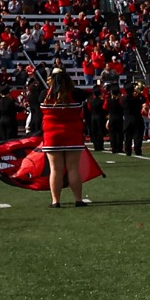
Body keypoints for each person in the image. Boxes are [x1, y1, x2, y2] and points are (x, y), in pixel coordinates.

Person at [39, 68, 90, 207]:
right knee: (73, 168)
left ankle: (55, 201)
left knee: (55, 169)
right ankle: (78, 199)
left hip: (52, 136)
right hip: (73, 134)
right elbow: (87, 93)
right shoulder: (75, 93)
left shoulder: (44, 94)